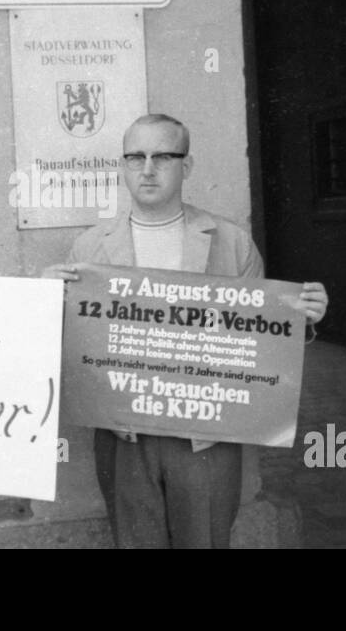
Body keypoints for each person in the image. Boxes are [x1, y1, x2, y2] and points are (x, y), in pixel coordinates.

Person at [43, 113, 328, 548]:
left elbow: (261, 338)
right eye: (135, 157)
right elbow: (74, 342)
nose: (148, 168)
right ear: (122, 166)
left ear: (187, 166)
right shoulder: (89, 248)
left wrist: (300, 320)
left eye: (163, 156)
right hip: (125, 434)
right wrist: (44, 300)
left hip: (205, 435)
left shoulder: (230, 241)